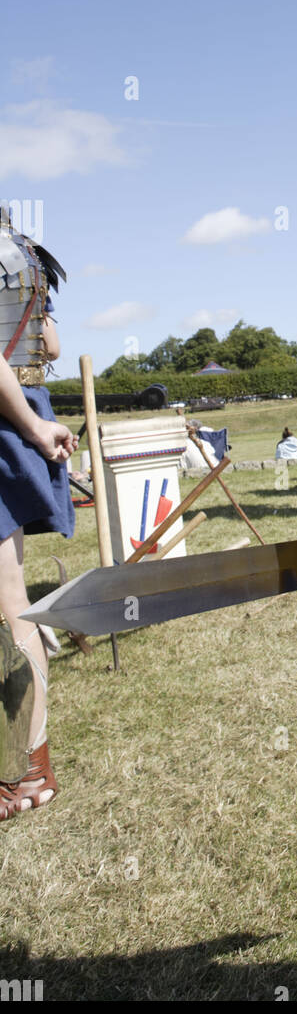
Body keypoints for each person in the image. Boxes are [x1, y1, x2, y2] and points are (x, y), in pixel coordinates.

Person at [0, 226, 77, 821]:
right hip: (20, 411)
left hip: (8, 419)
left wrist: (29, 426)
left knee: (7, 604)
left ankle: (27, 768)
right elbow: (47, 345)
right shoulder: (21, 247)